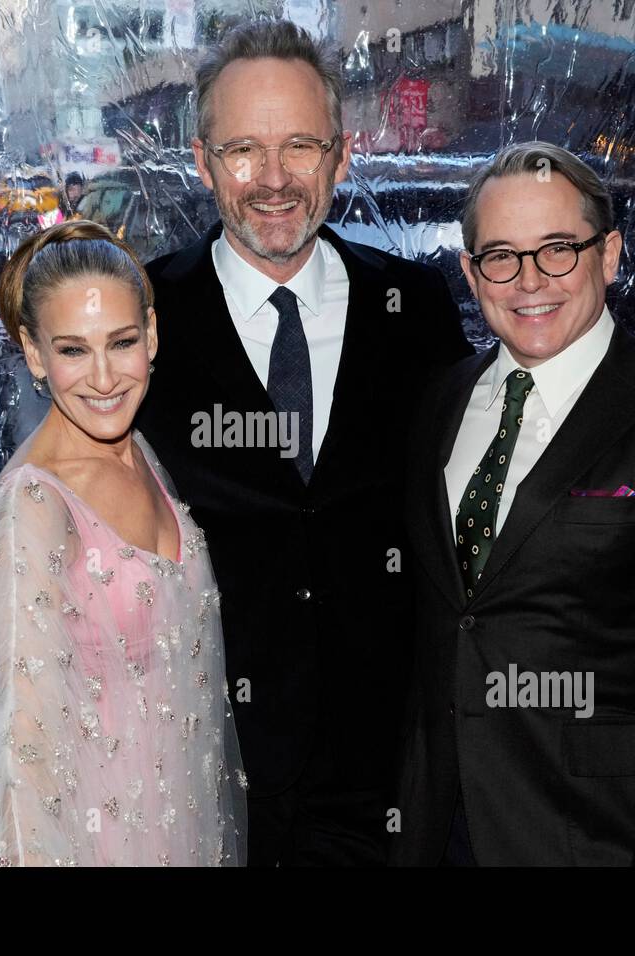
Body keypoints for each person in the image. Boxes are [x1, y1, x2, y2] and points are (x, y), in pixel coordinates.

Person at [132, 19, 473, 865]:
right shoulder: (139, 318)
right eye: (244, 149)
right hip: (198, 774)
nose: (274, 179)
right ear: (204, 161)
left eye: (301, 147)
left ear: (342, 156)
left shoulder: (416, 307)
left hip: (387, 786)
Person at [392, 141, 635, 866]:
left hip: (594, 840)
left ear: (609, 254)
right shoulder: (442, 402)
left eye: (558, 249)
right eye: (501, 255)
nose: (529, 280)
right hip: (437, 830)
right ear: (473, 274)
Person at [0, 220, 247, 866]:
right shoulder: (35, 508)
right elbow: (18, 761)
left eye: (121, 343)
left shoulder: (142, 455)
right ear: (35, 353)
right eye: (73, 351)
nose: (103, 378)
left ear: (151, 336)